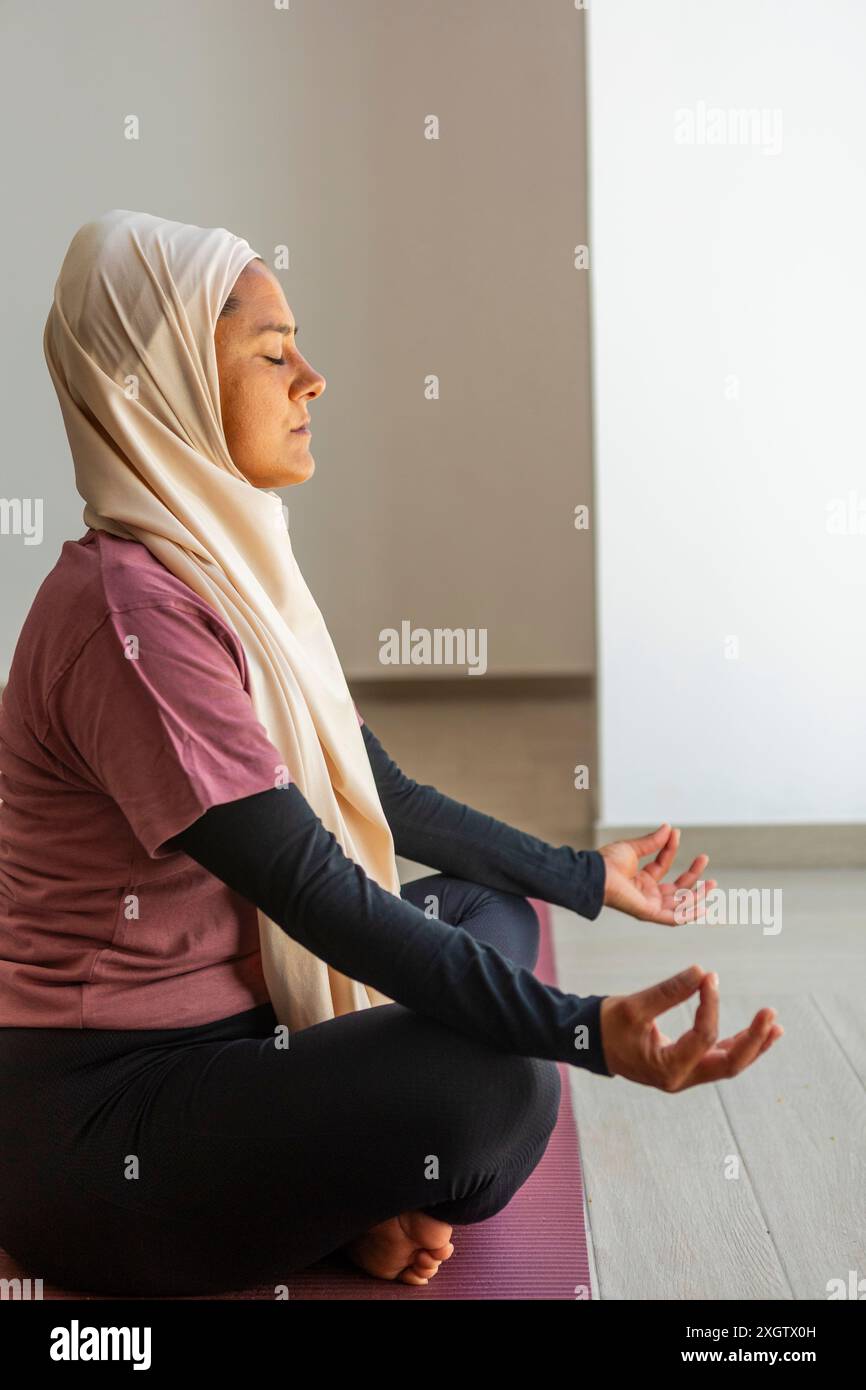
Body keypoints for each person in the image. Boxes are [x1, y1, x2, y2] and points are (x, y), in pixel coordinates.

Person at [0, 211, 782, 1297]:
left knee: (494, 915)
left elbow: (382, 794)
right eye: (272, 353)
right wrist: (587, 1033)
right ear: (157, 381)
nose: (310, 378)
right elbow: (315, 892)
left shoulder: (219, 568)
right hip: (103, 1122)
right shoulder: (126, 616)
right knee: (497, 1086)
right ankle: (341, 1202)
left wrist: (582, 875)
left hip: (245, 1035)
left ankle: (339, 1199)